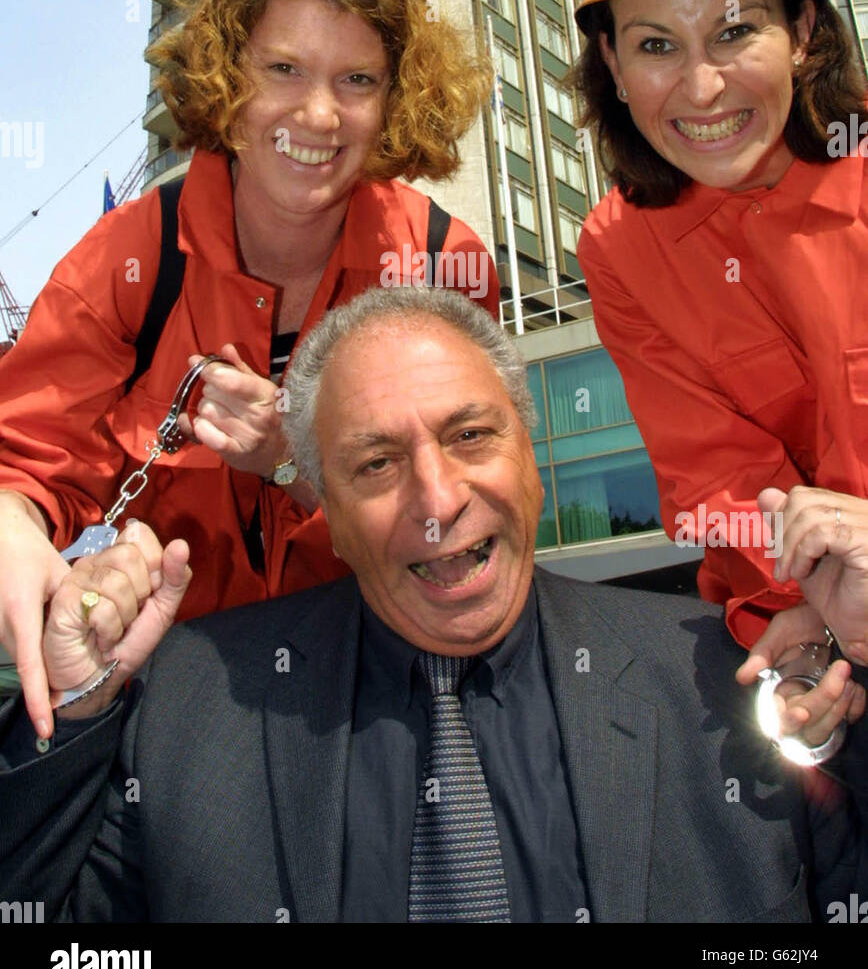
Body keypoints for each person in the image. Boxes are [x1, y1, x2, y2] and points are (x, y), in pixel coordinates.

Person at [1, 287, 866, 924]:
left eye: (470, 435)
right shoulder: (184, 708)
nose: (437, 498)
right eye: (375, 464)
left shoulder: (716, 673)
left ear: (531, 457)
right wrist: (75, 712)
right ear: (328, 517)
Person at [0, 0, 498, 742]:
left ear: (397, 98)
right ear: (228, 74)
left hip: (391, 707)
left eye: (356, 79)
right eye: (282, 68)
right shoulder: (125, 260)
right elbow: (22, 468)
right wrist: (18, 545)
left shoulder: (441, 265)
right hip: (170, 720)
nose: (317, 114)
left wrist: (295, 462)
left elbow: (474, 514)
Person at [570, 0, 868, 691]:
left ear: (804, 29)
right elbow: (717, 474)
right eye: (657, 45)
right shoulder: (619, 247)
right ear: (614, 67)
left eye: (736, 32)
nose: (701, 90)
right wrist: (808, 623)